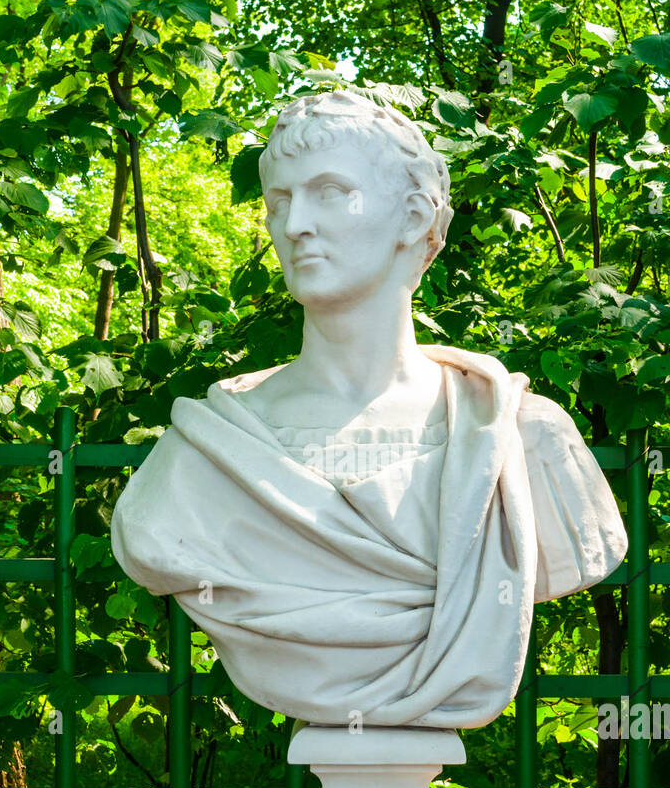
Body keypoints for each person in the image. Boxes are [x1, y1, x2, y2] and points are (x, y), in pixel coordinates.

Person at [111, 90, 627, 729]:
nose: (295, 223)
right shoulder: (202, 453)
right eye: (279, 200)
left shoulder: (526, 437)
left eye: (329, 192)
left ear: (413, 218)